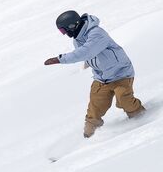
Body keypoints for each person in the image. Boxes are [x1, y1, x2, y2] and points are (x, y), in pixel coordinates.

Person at [43, 10, 144, 138]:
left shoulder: (96, 33)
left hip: (121, 73)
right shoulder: (77, 40)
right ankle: (89, 135)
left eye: (63, 30)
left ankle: (141, 119)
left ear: (72, 26)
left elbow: (87, 52)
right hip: (102, 78)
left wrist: (59, 59)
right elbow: (89, 56)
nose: (64, 34)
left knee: (124, 99)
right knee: (95, 107)